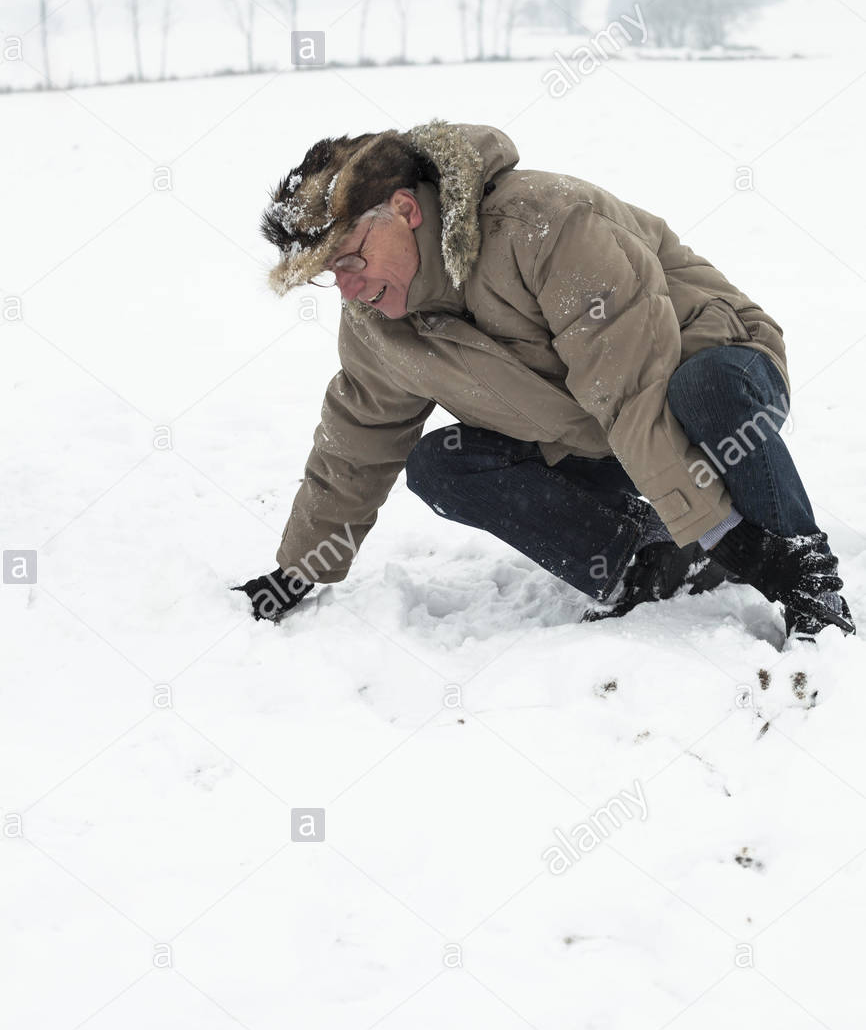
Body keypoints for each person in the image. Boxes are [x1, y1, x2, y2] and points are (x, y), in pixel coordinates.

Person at [233, 119, 853, 644]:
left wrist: (731, 537)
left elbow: (632, 388)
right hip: (597, 429)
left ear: (403, 208)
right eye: (326, 273)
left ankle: (806, 572)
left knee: (702, 391)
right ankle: (647, 565)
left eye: (350, 258)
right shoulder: (378, 320)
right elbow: (360, 435)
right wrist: (300, 569)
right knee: (442, 463)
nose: (346, 285)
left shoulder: (543, 225)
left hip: (706, 375)